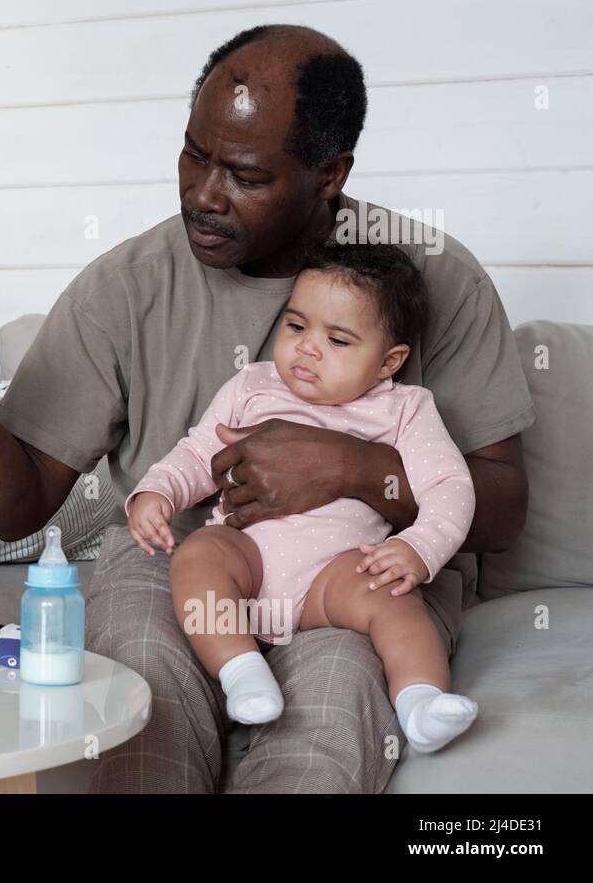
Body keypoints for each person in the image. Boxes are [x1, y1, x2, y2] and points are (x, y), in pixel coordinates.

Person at [0, 24, 534, 792]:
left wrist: (355, 470)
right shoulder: (127, 285)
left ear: (329, 173)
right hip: (184, 554)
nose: (203, 193)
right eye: (195, 153)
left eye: (244, 174)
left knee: (327, 720)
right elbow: (16, 507)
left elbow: (501, 511)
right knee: (141, 698)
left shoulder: (432, 282)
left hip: (358, 569)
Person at [127, 241, 479, 753]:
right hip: (244, 560)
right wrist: (158, 491)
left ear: (389, 362)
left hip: (332, 577)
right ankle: (241, 671)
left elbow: (449, 486)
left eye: (338, 340)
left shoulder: (404, 409)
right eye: (296, 327)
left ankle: (421, 702)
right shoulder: (253, 385)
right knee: (198, 556)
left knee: (396, 601)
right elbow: (201, 451)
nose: (307, 348)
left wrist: (420, 548)